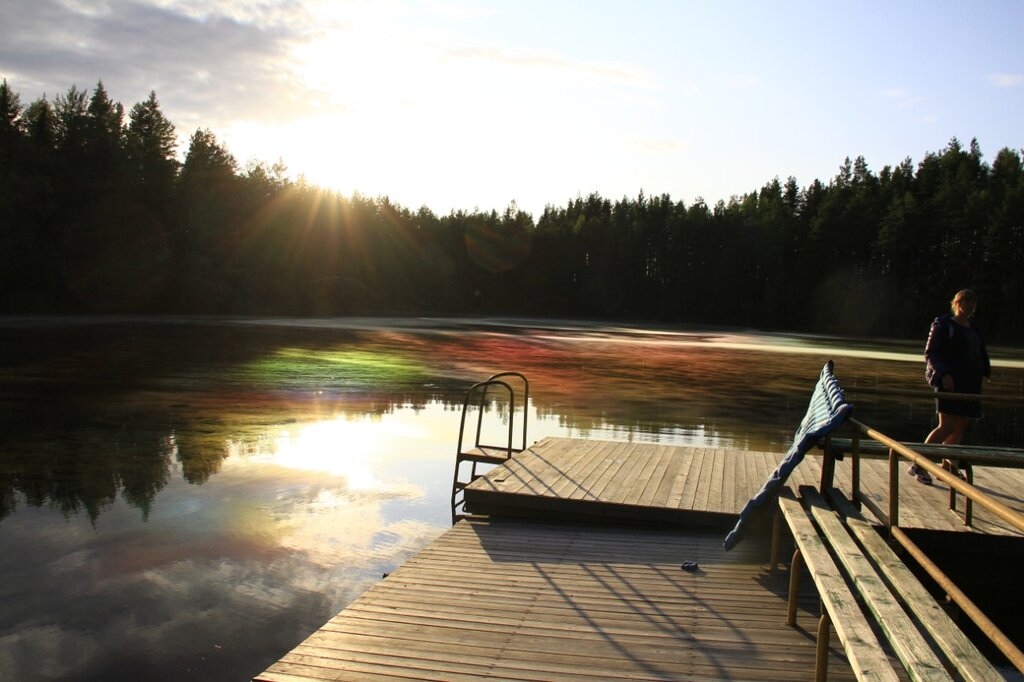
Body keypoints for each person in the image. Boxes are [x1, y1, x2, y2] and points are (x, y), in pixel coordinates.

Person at [909, 289, 991, 484]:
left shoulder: (973, 327)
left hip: (970, 384)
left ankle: (948, 467)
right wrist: (943, 373)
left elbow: (979, 351)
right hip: (950, 383)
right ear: (957, 303)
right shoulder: (943, 324)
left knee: (960, 427)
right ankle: (919, 464)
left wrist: (985, 370)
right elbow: (930, 353)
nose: (970, 305)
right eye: (966, 301)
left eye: (973, 302)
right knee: (946, 426)